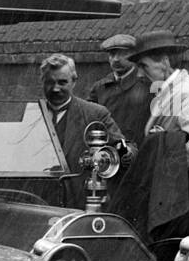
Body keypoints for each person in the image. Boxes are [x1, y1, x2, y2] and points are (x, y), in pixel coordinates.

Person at [122, 29, 189, 239]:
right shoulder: (170, 91)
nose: (140, 74)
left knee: (187, 249)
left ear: (164, 61)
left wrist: (160, 154)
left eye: (143, 66)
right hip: (175, 197)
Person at [39, 53, 131, 209]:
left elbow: (124, 148)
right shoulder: (30, 114)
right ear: (42, 82)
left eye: (62, 82)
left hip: (78, 203)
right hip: (38, 202)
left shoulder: (95, 114)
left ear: (74, 82)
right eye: (50, 82)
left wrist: (124, 152)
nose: (55, 89)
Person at [86, 33, 150, 149]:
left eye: (123, 54)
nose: (116, 59)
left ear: (134, 56)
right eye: (112, 54)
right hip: (109, 155)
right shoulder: (100, 88)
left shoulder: (148, 85)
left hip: (141, 153)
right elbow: (89, 123)